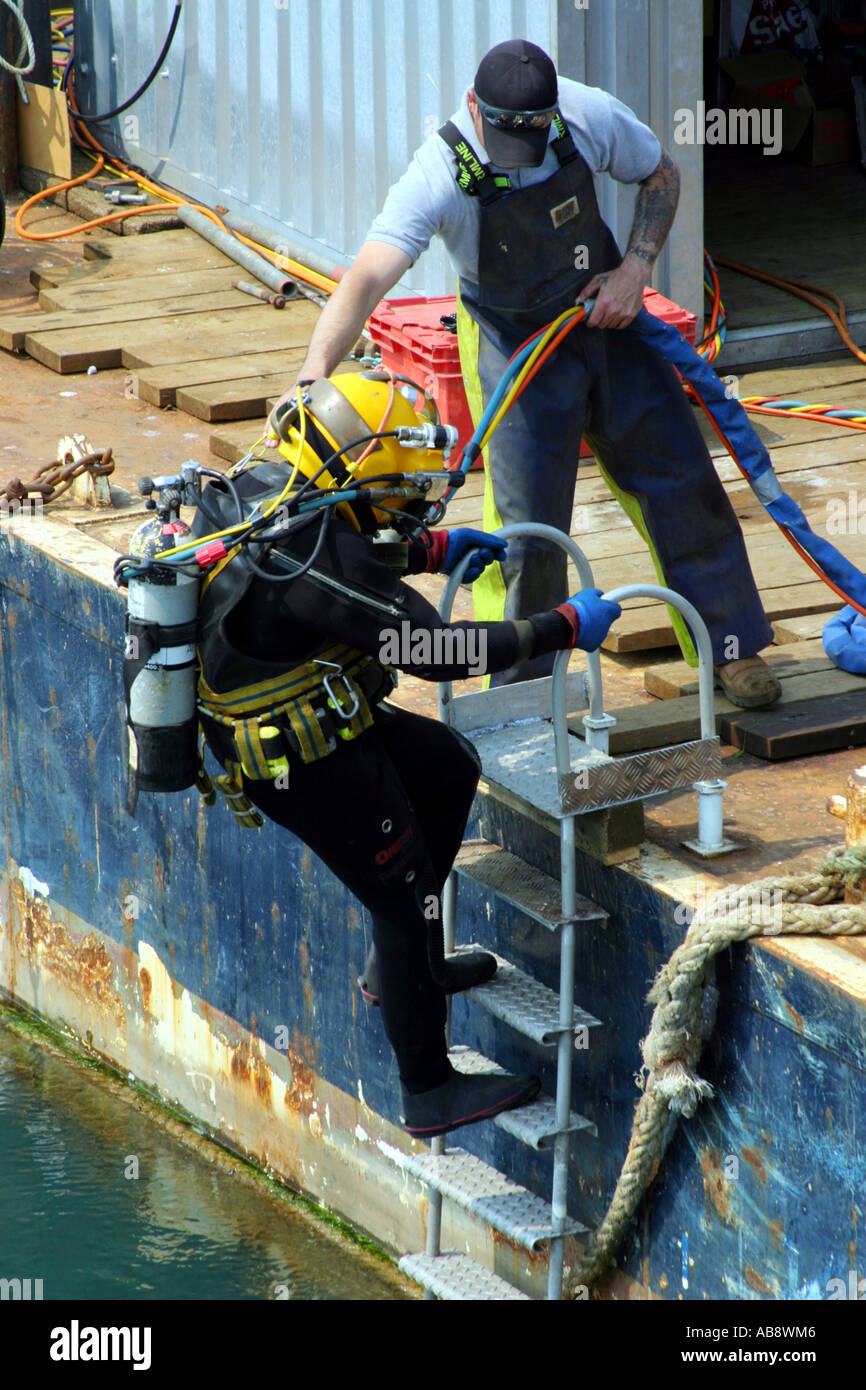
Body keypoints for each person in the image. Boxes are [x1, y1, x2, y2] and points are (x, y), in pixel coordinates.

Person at [268, 38, 781, 709]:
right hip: (514, 344)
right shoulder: (438, 174)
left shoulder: (587, 114)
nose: (524, 157)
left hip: (607, 317)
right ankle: (524, 696)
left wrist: (635, 269)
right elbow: (365, 280)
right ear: (474, 108)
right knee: (528, 531)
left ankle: (730, 646)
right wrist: (311, 376)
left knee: (682, 479)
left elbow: (661, 173)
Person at [194, 371, 623, 1138]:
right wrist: (560, 625)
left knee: (446, 769)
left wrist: (432, 549)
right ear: (356, 474)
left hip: (305, 725)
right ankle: (427, 1088)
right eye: (397, 492)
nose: (409, 504)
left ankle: (405, 971)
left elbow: (349, 535)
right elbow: (437, 651)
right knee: (404, 895)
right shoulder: (316, 562)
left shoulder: (268, 483)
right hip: (302, 763)